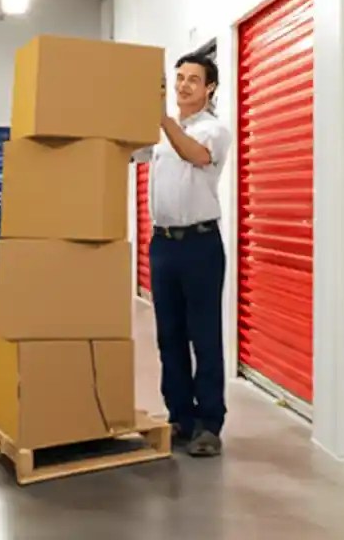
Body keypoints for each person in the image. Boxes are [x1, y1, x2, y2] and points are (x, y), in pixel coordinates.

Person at [133, 51, 232, 457]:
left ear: (210, 88)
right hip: (163, 245)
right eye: (179, 78)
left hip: (200, 245)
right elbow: (128, 151)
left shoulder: (214, 130)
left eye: (193, 79)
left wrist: (162, 119)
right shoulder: (160, 134)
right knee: (169, 336)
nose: (183, 85)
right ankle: (180, 417)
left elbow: (196, 155)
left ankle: (209, 424)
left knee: (203, 336)